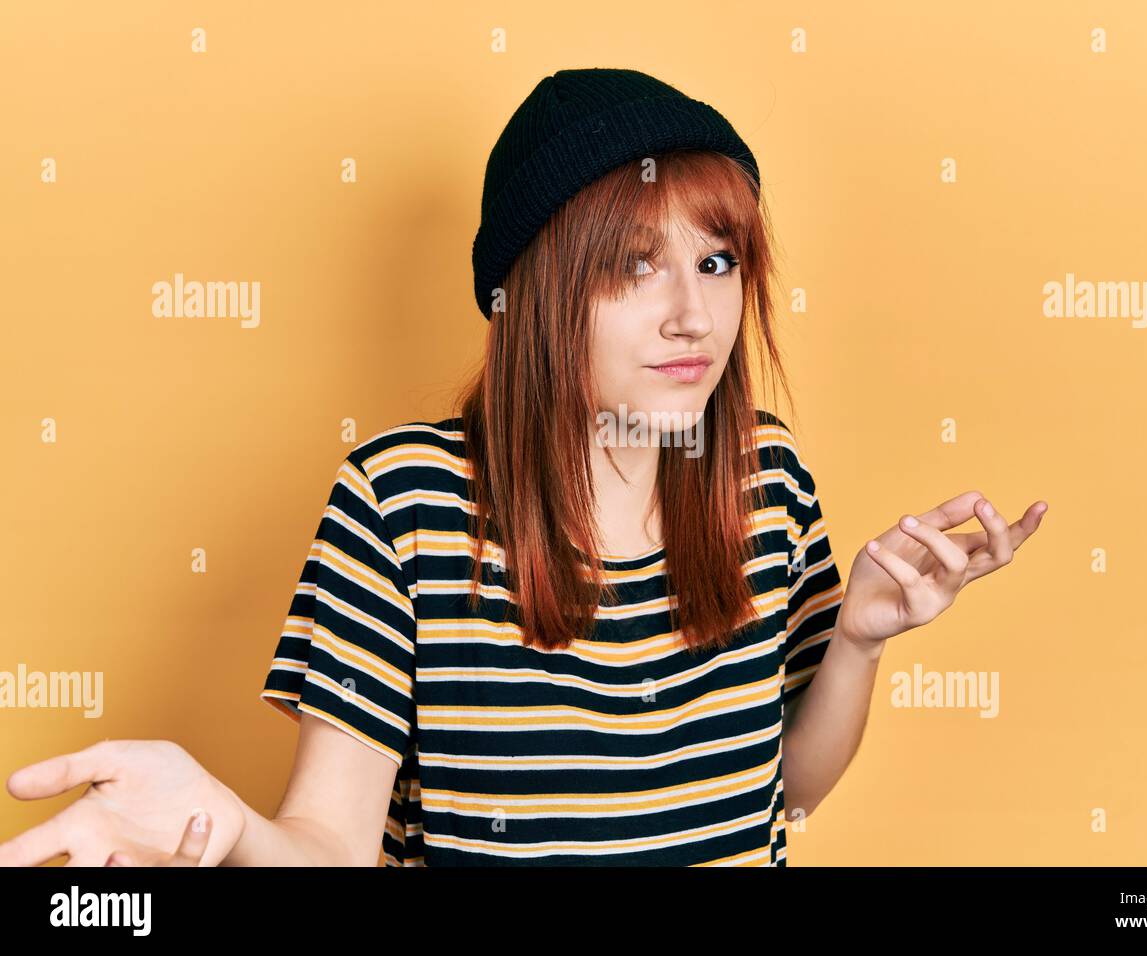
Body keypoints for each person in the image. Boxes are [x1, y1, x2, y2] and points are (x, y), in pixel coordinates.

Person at [0, 67, 1047, 867]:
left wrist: (858, 641)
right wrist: (223, 828)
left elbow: (785, 792)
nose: (694, 313)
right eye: (634, 267)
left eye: (715, 260)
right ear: (538, 294)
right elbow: (328, 840)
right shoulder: (403, 501)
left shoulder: (761, 476)